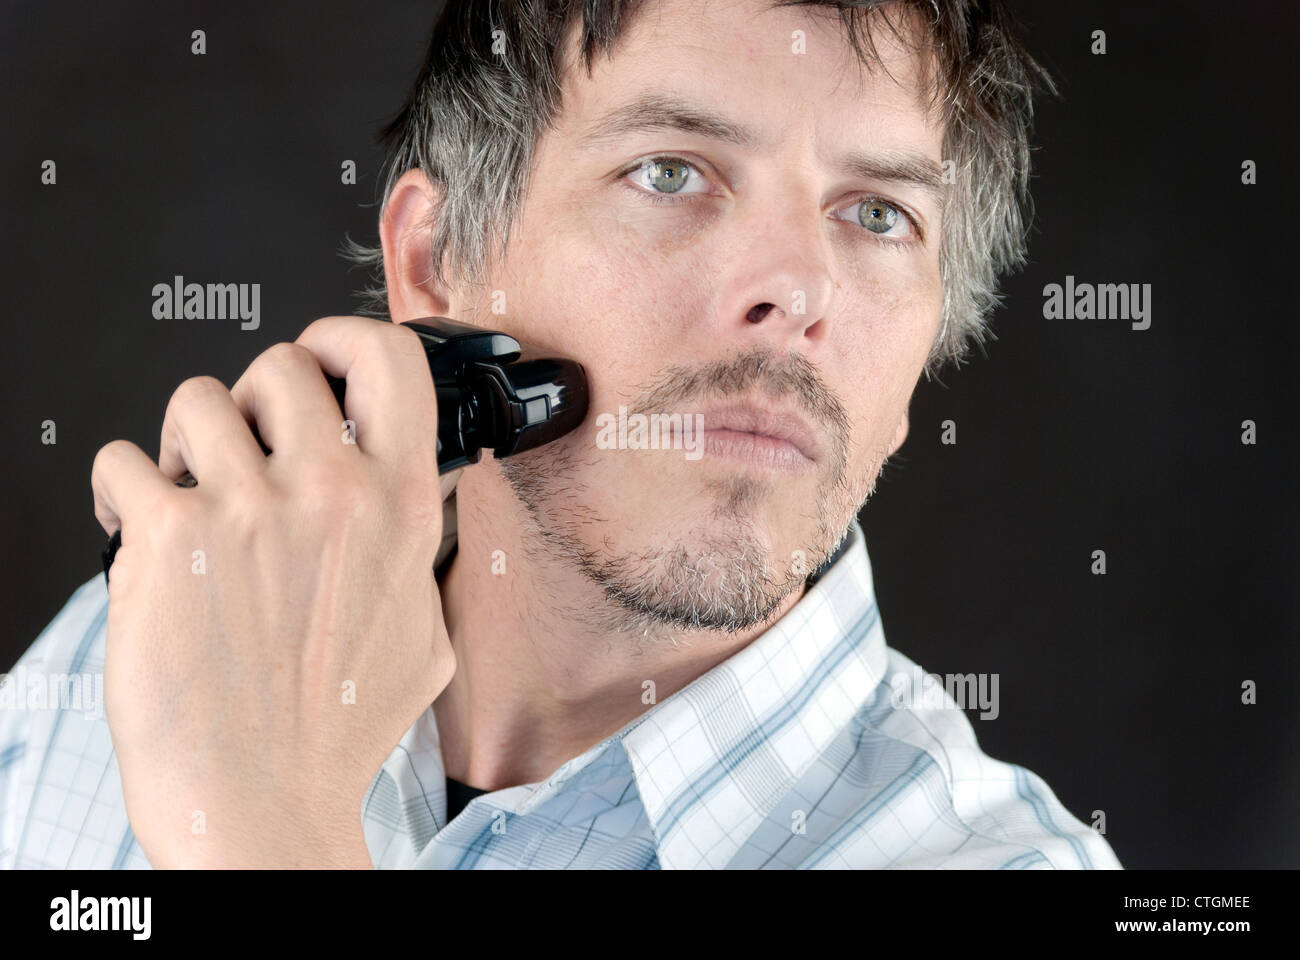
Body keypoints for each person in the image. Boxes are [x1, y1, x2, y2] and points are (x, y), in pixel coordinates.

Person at [0, 0, 1121, 869]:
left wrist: (262, 835)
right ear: (436, 264)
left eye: (879, 214)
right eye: (671, 172)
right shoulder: (144, 638)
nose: (799, 286)